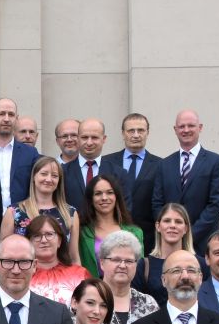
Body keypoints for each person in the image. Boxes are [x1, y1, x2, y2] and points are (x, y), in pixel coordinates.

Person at [151, 109, 219, 254]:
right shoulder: (164, 164)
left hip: (203, 242)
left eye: (191, 126)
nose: (186, 130)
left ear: (200, 127)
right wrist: (170, 231)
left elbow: (216, 205)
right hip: (171, 244)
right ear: (175, 130)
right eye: (181, 126)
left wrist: (189, 234)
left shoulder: (216, 162)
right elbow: (157, 203)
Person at [99, 113, 162, 252]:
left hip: (148, 238)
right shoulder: (106, 162)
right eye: (131, 131)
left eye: (140, 130)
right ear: (123, 133)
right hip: (111, 235)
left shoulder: (161, 165)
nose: (136, 135)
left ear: (148, 133)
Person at [2, 156, 80, 263]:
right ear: (34, 177)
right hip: (25, 276)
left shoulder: (70, 213)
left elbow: (74, 257)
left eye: (54, 176)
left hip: (61, 277)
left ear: (59, 181)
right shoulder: (14, 212)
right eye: (44, 174)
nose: (49, 179)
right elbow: (4, 255)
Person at [137, 202, 206, 302]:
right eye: (167, 221)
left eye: (178, 222)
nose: (172, 225)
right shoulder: (144, 266)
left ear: (186, 228)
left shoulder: (201, 264)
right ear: (158, 226)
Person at [98, 230, 159, 324]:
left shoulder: (148, 304)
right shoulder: (88, 301)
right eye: (116, 260)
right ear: (102, 263)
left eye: (129, 261)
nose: (122, 265)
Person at [78, 174, 141, 278]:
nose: (104, 198)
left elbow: (139, 269)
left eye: (109, 192)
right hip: (92, 290)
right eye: (98, 194)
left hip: (125, 290)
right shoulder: (81, 232)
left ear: (116, 196)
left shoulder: (135, 232)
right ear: (91, 199)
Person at [28, 214, 90, 307]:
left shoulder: (79, 274)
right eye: (37, 235)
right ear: (29, 242)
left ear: (59, 241)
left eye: (49, 234)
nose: (44, 240)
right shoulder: (21, 275)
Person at [62, 118, 119, 214]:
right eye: (84, 137)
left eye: (94, 137)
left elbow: (123, 208)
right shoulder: (63, 172)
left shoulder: (118, 173)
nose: (89, 142)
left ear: (104, 139)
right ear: (78, 138)